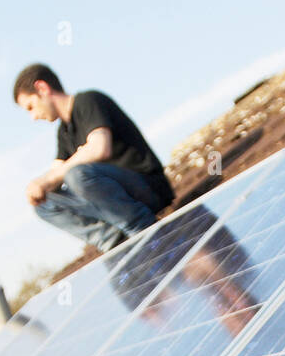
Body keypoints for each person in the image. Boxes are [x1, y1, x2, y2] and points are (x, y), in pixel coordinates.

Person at [14, 63, 175, 253]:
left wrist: (51, 178)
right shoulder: (64, 133)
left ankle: (143, 229)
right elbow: (54, 177)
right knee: (45, 204)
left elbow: (100, 148)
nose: (33, 117)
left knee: (76, 175)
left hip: (147, 190)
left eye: (31, 107)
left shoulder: (88, 101)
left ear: (42, 88)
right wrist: (39, 186)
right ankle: (113, 240)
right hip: (115, 206)